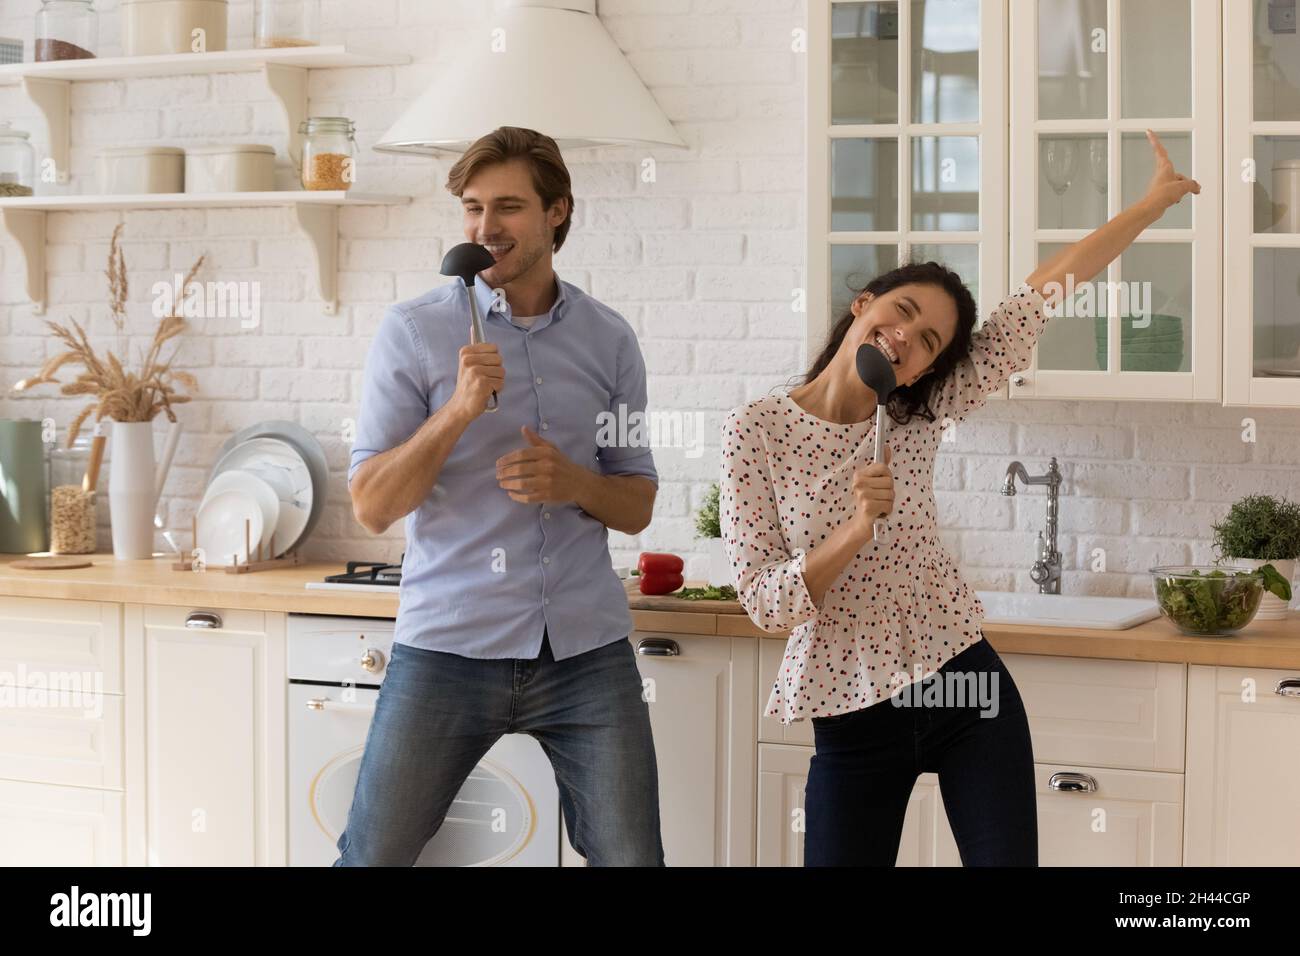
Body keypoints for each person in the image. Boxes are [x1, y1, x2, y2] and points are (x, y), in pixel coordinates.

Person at [720, 130, 1200, 866]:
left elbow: (1045, 291)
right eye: (903, 310)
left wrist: (1151, 205)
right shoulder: (757, 430)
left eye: (930, 340)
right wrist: (854, 530)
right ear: (863, 305)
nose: (907, 334)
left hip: (964, 686)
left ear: (924, 371)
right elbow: (764, 603)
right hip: (852, 707)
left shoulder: (920, 412)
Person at [337, 127, 664, 866]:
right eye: (473, 207)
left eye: (509, 206)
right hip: (447, 645)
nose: (487, 228)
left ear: (557, 212)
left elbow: (637, 501)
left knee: (633, 859)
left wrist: (575, 483)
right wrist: (456, 410)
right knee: (373, 854)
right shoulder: (414, 332)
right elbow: (372, 505)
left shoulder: (610, 341)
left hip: (586, 651)